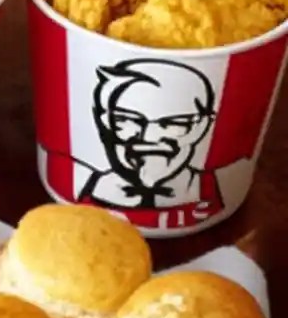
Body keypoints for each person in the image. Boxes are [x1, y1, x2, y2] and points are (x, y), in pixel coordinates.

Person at [80, 59, 220, 214]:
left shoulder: (218, 187)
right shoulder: (84, 186)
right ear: (102, 120)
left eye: (172, 123)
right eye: (127, 120)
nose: (149, 138)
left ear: (203, 126)